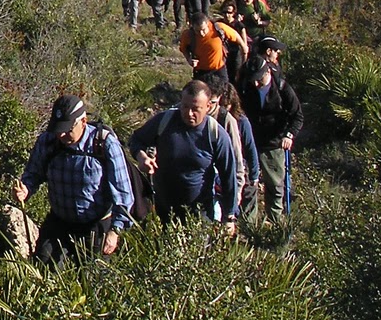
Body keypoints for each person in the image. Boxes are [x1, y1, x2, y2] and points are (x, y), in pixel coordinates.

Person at [12, 94, 135, 264]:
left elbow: (123, 193)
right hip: (59, 222)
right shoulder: (48, 141)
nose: (61, 135)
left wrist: (115, 231)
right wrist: (25, 189)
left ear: (83, 122)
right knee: (43, 265)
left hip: (95, 226)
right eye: (58, 129)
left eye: (68, 129)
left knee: (92, 276)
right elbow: (33, 173)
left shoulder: (104, 144)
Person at [128, 81, 239, 232]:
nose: (189, 113)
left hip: (199, 215)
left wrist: (229, 216)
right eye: (185, 106)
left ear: (208, 107)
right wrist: (141, 157)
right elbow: (136, 140)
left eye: (195, 109)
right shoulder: (165, 121)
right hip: (163, 212)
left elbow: (228, 176)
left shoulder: (215, 134)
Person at [237, 47, 303, 221]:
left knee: (275, 185)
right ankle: (249, 224)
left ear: (267, 72)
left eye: (259, 80)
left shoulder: (282, 88)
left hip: (274, 143)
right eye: (253, 80)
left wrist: (289, 135)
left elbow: (297, 116)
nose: (256, 84)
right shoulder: (245, 86)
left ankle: (275, 223)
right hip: (250, 142)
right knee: (249, 184)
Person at [213, 86, 261, 221]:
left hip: (241, 170)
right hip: (221, 175)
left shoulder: (241, 122)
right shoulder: (214, 121)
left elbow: (250, 149)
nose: (223, 109)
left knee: (247, 212)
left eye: (226, 106)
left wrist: (254, 176)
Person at [178, 13, 246, 94]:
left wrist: (244, 46)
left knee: (224, 93)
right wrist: (189, 59)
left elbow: (235, 35)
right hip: (201, 71)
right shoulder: (188, 35)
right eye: (197, 31)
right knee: (201, 95)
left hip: (219, 69)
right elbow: (183, 49)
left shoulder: (218, 28)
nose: (201, 33)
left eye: (203, 30)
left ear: (207, 23)